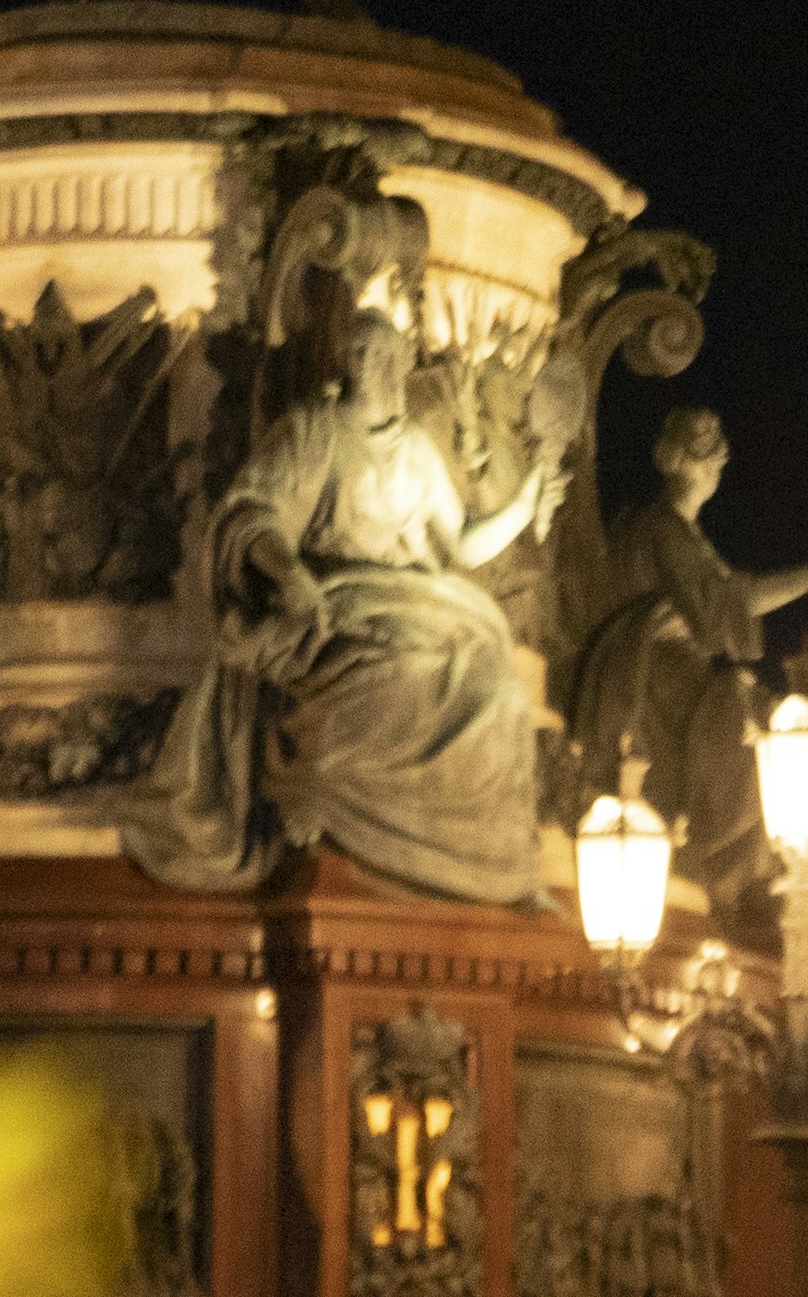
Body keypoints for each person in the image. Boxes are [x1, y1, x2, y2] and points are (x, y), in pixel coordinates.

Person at [127, 284, 545, 900]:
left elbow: (459, 546)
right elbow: (255, 511)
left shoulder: (418, 450)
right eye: (363, 355)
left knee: (500, 692)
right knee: (399, 667)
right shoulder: (312, 431)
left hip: (416, 598)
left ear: (403, 365)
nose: (377, 369)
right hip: (336, 591)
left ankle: (475, 857)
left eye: (387, 357)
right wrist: (289, 574)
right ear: (348, 363)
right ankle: (326, 792)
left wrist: (525, 503)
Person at [565, 409, 808, 923]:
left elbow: (725, 600)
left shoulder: (681, 533)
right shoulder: (662, 529)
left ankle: (717, 861)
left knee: (766, 729)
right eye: (709, 454)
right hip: (656, 682)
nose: (719, 463)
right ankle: (700, 851)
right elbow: (725, 605)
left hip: (673, 675)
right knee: (758, 731)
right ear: (686, 463)